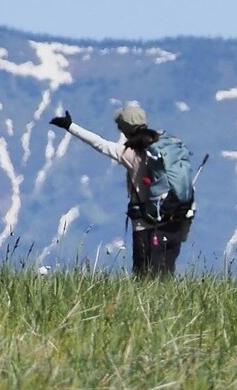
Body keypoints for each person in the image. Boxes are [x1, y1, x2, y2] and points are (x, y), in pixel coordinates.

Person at [49, 103, 192, 276]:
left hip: (146, 223)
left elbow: (99, 144)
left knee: (143, 274)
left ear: (124, 130)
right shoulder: (165, 146)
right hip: (176, 218)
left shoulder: (129, 154)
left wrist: (70, 126)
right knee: (165, 272)